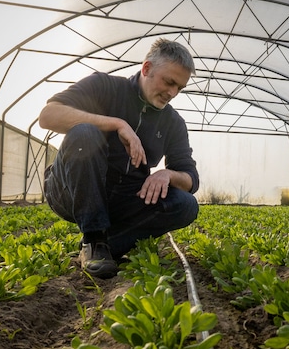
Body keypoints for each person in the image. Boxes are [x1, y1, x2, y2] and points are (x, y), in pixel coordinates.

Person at [39, 38, 200, 278]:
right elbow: (48, 115)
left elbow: (191, 179)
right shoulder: (105, 86)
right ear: (146, 68)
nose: (173, 93)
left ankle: (106, 245)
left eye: (180, 87)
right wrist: (115, 124)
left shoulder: (173, 123)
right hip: (70, 190)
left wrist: (167, 174)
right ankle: (93, 239)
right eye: (169, 82)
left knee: (186, 204)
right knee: (85, 132)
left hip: (124, 198)